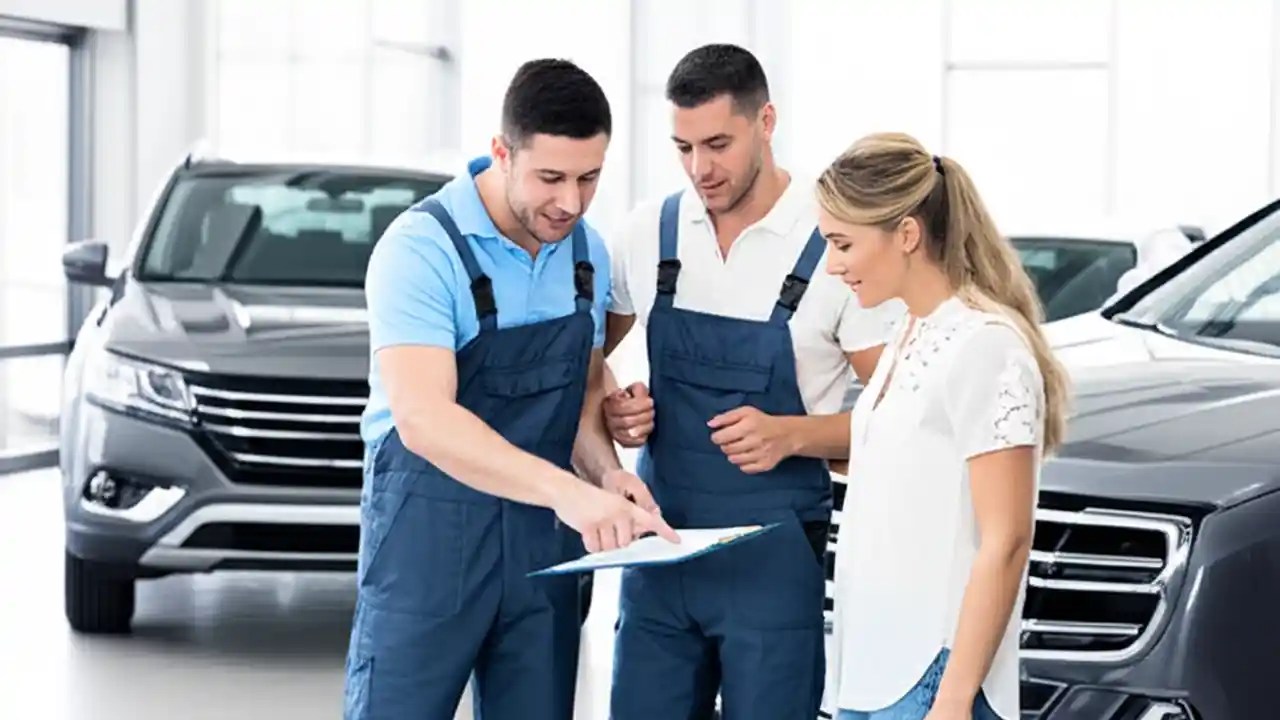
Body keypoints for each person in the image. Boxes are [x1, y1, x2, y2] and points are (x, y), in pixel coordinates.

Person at [344, 58, 677, 720]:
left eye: (590, 177)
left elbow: (580, 389)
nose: (571, 202)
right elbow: (424, 419)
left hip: (543, 548)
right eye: (550, 177)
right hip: (428, 538)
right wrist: (572, 495)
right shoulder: (421, 251)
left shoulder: (585, 252)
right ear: (502, 152)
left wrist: (606, 473)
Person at [602, 44, 904, 720]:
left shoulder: (835, 241)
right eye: (682, 148)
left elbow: (903, 425)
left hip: (774, 562)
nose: (700, 169)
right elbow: (586, 359)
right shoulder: (648, 230)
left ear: (766, 121)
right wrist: (612, 409)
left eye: (718, 144)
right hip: (662, 549)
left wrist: (793, 436)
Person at [815, 132, 1070, 720]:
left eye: (842, 243)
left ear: (906, 235)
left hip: (932, 678)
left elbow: (1006, 541)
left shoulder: (986, 347)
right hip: (871, 671)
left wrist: (953, 699)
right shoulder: (909, 331)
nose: (833, 265)